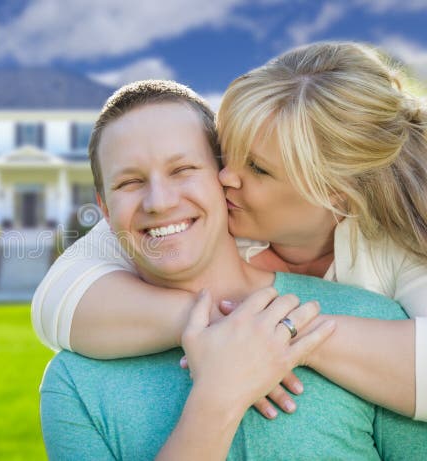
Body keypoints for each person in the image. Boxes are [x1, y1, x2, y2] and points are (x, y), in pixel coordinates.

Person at [33, 41, 427, 420]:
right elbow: (58, 300)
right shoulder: (209, 214)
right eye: (228, 151)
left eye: (257, 168)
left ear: (334, 195)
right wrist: (219, 324)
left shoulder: (397, 244)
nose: (224, 175)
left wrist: (279, 334)